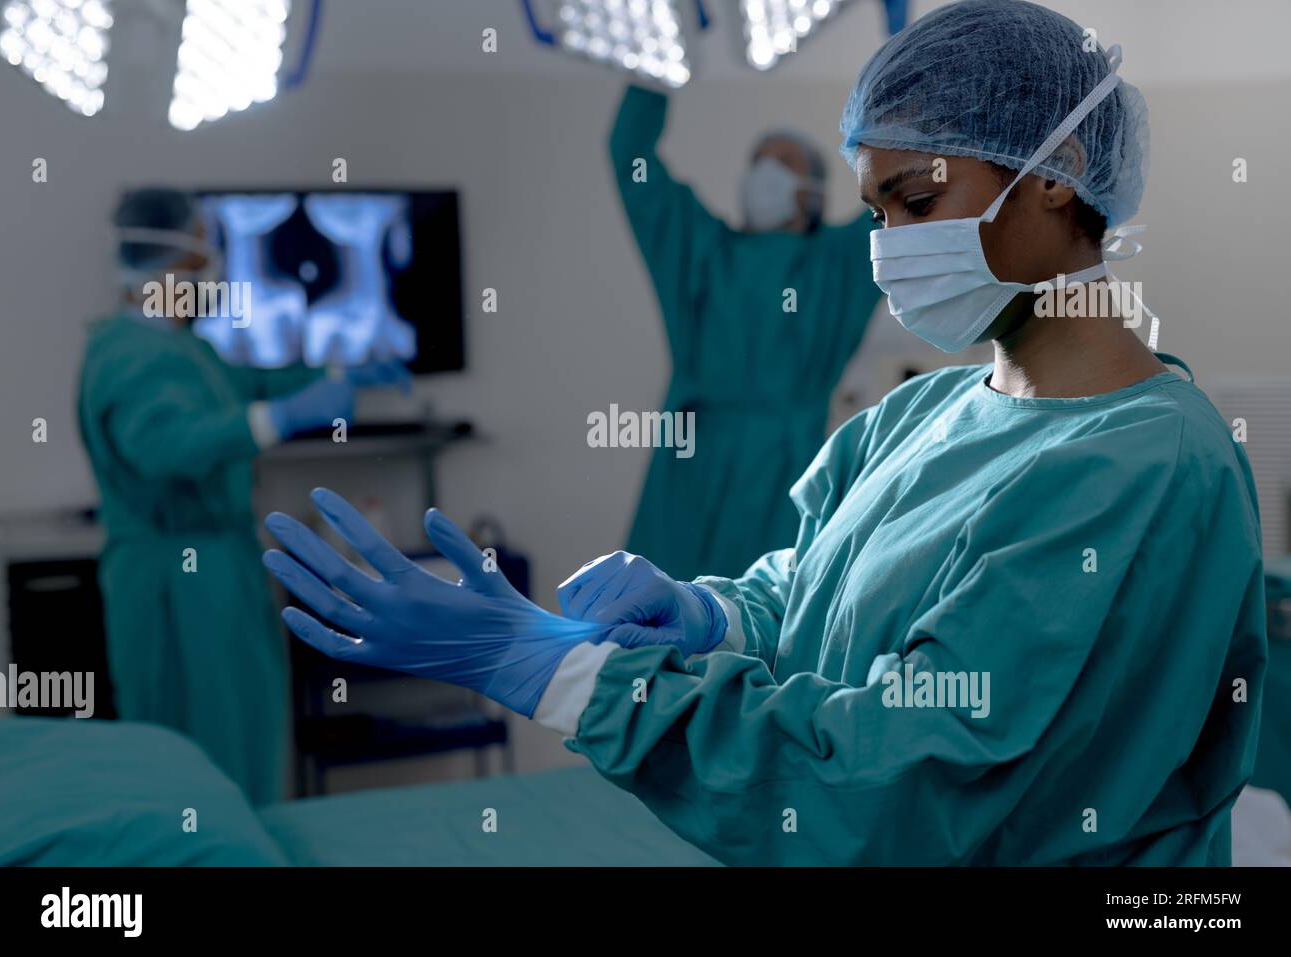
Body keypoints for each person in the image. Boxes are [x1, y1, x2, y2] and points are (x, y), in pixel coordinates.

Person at [261, 0, 1266, 864]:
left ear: (1058, 170)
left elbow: (905, 783)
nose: (889, 250)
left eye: (917, 199)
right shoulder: (920, 414)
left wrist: (566, 675)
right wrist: (715, 615)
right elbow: (812, 583)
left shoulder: (1139, 467)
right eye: (875, 214)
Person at [77, 188, 408, 805]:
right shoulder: (129, 355)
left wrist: (337, 374)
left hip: (219, 571)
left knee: (245, 739)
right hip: (179, 583)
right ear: (181, 255)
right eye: (207, 240)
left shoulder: (183, 346)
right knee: (196, 757)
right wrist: (277, 418)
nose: (216, 257)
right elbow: (165, 445)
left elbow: (249, 380)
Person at [609, 83, 884, 580]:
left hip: (786, 470)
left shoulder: (838, 266)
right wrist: (653, 65)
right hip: (689, 461)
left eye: (782, 160)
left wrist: (896, 74)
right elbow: (630, 156)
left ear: (814, 190)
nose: (763, 171)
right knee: (652, 624)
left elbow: (905, 192)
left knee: (763, 629)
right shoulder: (702, 252)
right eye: (756, 160)